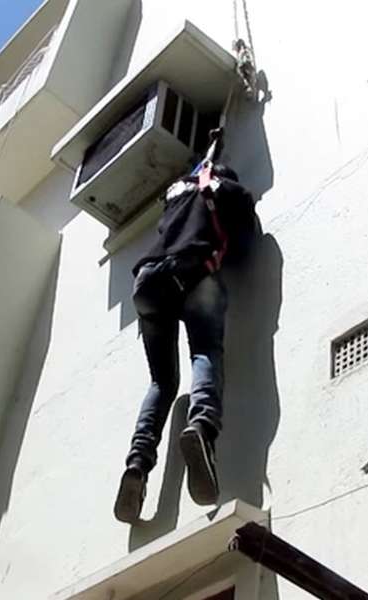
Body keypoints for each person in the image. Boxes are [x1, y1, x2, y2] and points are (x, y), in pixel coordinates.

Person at [114, 154, 256, 524]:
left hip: (146, 281)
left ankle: (137, 465)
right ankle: (202, 428)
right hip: (194, 273)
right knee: (205, 352)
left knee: (161, 381)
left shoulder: (176, 194)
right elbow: (246, 243)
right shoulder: (230, 190)